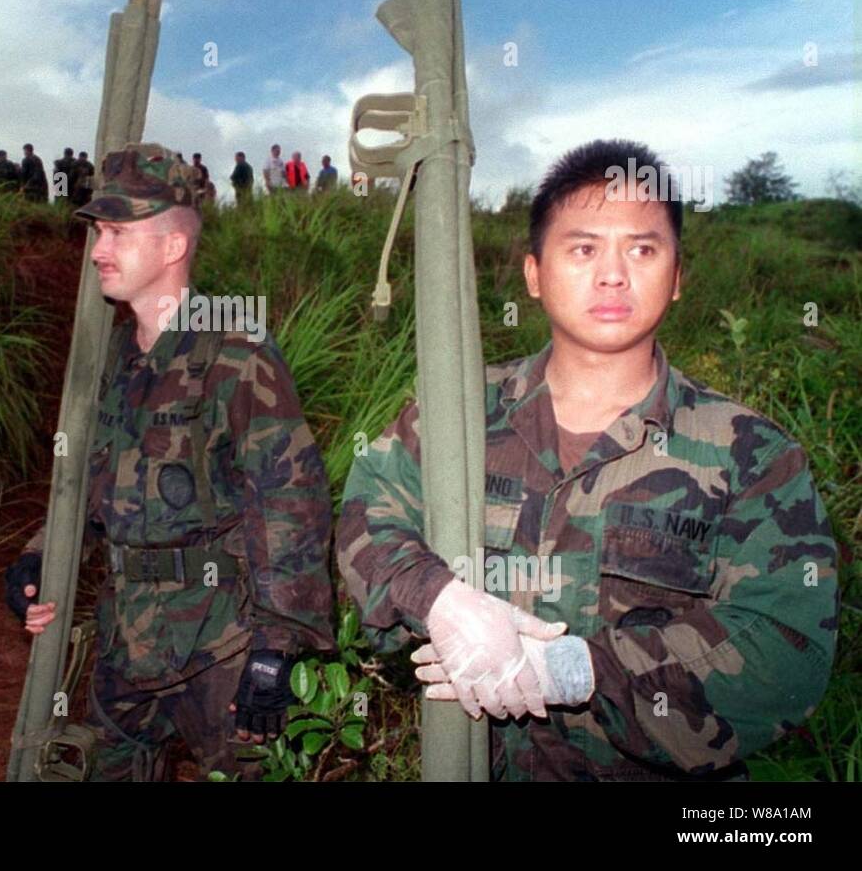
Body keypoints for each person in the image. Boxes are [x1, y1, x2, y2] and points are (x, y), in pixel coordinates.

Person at [336, 138, 839, 782]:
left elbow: (785, 651)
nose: (613, 274)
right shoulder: (452, 413)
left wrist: (573, 671)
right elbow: (364, 521)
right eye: (583, 248)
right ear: (534, 275)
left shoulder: (752, 453)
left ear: (678, 277)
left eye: (642, 248)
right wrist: (439, 600)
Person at [4, 144, 336, 781]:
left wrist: (279, 644)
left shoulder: (236, 352)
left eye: (118, 232)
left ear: (173, 247)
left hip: (223, 646)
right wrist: (44, 553)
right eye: (99, 231)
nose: (99, 249)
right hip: (126, 636)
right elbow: (95, 486)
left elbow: (291, 498)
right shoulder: (115, 360)